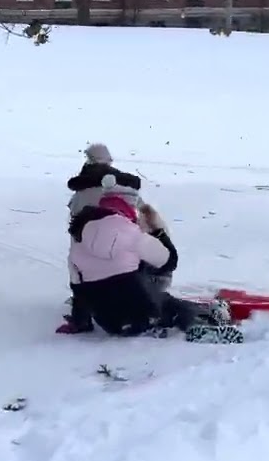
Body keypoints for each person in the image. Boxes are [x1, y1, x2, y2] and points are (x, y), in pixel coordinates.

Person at [67, 193, 242, 344]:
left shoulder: (76, 249)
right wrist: (157, 231)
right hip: (146, 310)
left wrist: (79, 324)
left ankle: (154, 328)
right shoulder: (131, 234)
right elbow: (169, 261)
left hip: (111, 324)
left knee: (138, 299)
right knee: (169, 304)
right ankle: (202, 321)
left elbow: (79, 294)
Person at [58, 143, 143, 334]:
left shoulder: (84, 188)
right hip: (121, 238)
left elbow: (76, 214)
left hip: (86, 234)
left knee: (81, 273)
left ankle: (83, 318)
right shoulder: (123, 185)